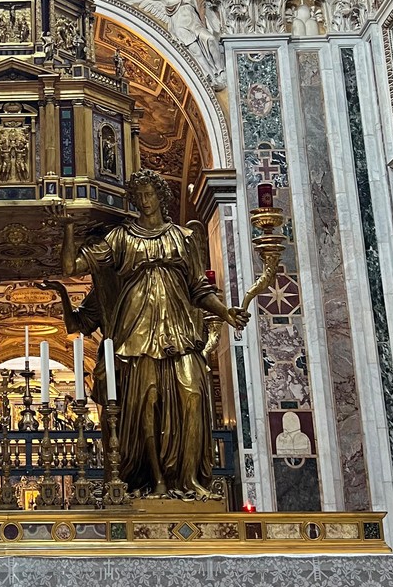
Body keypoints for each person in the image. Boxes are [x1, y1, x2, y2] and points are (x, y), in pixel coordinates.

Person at [55, 169, 250, 497]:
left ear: (161, 196)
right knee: (145, 401)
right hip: (137, 330)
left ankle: (188, 480)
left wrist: (225, 312)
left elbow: (199, 287)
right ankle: (154, 480)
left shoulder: (182, 238)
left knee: (192, 394)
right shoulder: (121, 238)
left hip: (179, 329)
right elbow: (72, 266)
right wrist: (70, 226)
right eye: (139, 196)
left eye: (150, 194)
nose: (145, 201)